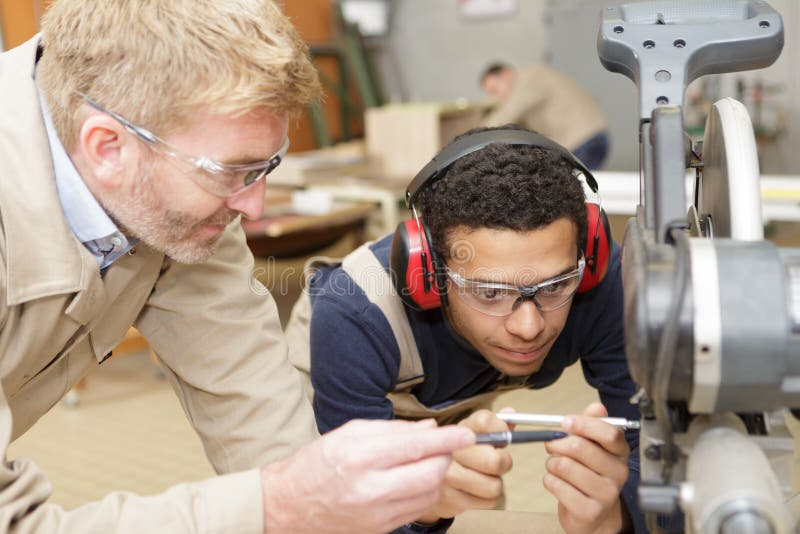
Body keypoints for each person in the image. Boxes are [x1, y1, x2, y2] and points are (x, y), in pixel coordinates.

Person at [0, 1, 476, 532]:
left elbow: (256, 412)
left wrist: (335, 505)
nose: (254, 206)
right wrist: (278, 505)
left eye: (266, 165)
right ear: (108, 147)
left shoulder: (174, 188)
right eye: (234, 171)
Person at [288, 126, 644, 533]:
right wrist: (425, 507)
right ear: (429, 274)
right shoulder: (353, 315)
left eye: (555, 287)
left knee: (476, 503)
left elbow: (650, 454)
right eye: (490, 292)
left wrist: (618, 516)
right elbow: (350, 514)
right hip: (360, 371)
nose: (529, 328)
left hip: (462, 387)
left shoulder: (598, 284)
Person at [480, 63, 611, 169]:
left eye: (495, 89)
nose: (497, 97)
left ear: (505, 73)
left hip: (584, 140)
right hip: (585, 139)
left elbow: (509, 112)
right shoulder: (528, 84)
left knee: (572, 192)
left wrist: (477, 136)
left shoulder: (529, 77)